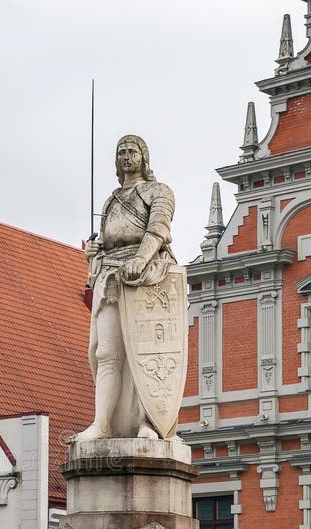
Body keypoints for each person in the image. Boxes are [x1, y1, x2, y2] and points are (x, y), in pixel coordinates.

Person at [76, 134, 179, 441]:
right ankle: (102, 424)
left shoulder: (159, 191)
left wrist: (141, 258)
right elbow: (106, 243)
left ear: (144, 157)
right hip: (111, 275)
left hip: (147, 276)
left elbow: (159, 228)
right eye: (121, 151)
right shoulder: (110, 200)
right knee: (104, 351)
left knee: (145, 354)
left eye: (132, 150)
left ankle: (148, 422)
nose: (125, 155)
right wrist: (94, 255)